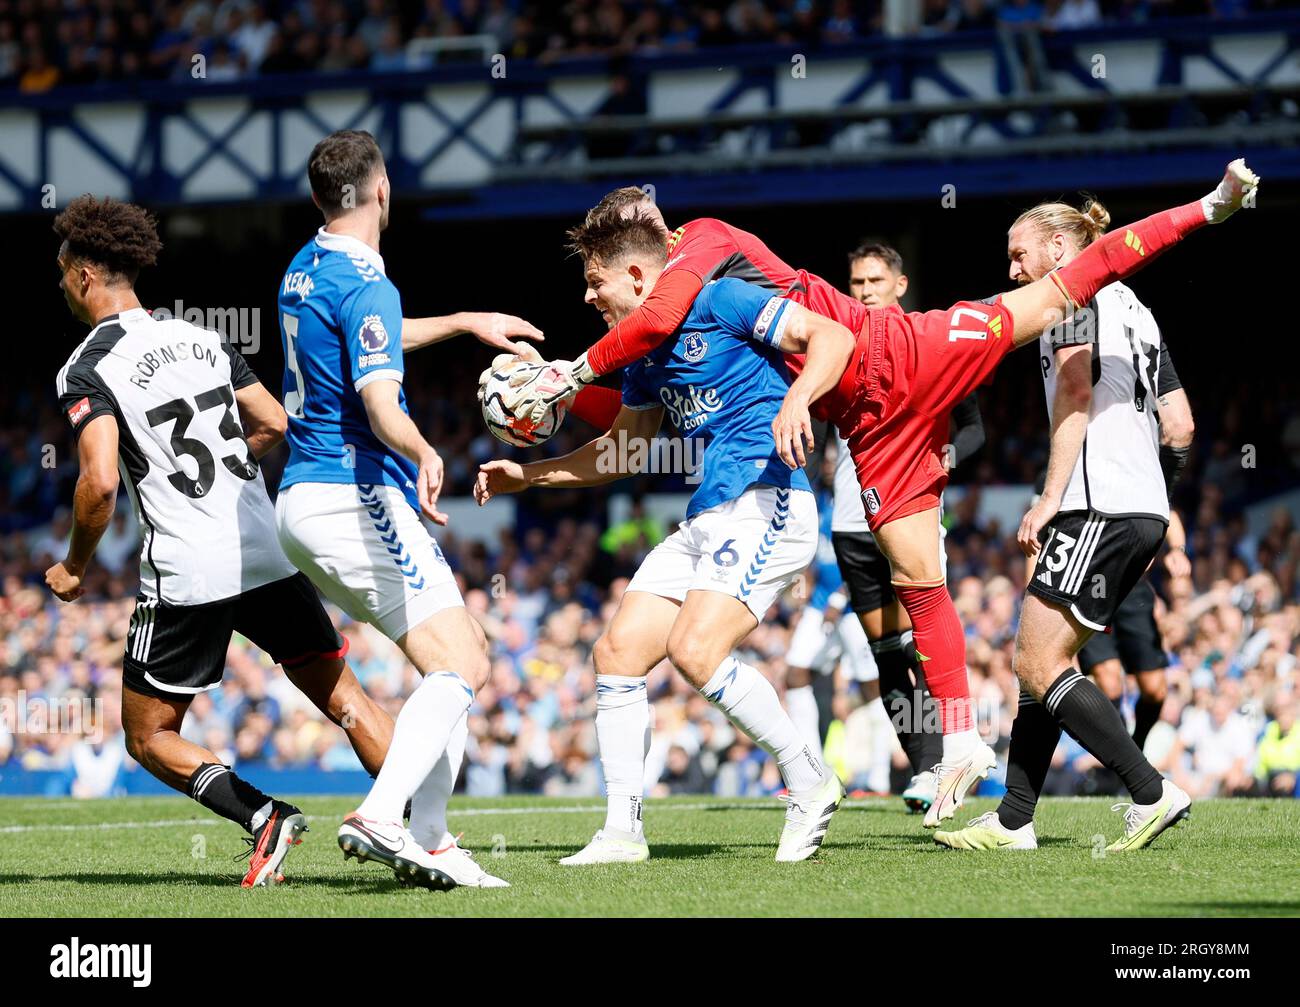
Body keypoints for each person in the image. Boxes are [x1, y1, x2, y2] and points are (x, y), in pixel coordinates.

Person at [509, 160, 1259, 828]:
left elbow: (665, 311)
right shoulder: (670, 318)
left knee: (1059, 296)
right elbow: (637, 414)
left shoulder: (697, 245)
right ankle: (961, 741)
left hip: (899, 352)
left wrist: (569, 374)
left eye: (601, 268)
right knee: (918, 581)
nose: (592, 287)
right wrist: (549, 436)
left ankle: (1209, 207)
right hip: (867, 424)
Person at [474, 209, 857, 863]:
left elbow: (834, 339)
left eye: (595, 282)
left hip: (769, 499)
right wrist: (528, 477)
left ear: (633, 272)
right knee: (617, 653)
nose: (587, 296)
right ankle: (623, 832)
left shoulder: (723, 299)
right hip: (710, 513)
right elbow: (621, 453)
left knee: (695, 651)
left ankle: (810, 779)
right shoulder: (644, 354)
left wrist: (798, 401)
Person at [46, 194, 393, 887]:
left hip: (190, 569)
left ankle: (263, 815)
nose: (61, 284)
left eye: (62, 272)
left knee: (147, 735)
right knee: (346, 697)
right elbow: (271, 422)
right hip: (263, 545)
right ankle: (424, 830)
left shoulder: (87, 366)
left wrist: (75, 564)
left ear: (84, 274)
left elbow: (101, 482)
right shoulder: (201, 336)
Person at [273, 129, 539, 890]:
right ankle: (385, 815)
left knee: (455, 654)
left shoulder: (305, 266)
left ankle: (431, 838)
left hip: (301, 498)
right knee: (465, 660)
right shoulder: (370, 281)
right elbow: (379, 395)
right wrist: (424, 449)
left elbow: (372, 342)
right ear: (381, 189)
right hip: (352, 490)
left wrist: (459, 322)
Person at [934, 191, 1230, 852]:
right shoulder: (1138, 308)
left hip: (1097, 502)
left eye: (1019, 254)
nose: (1013, 271)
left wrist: (1049, 497)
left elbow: (1074, 390)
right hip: (1138, 507)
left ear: (1061, 250)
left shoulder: (1074, 292)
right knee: (1042, 659)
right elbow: (1178, 424)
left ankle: (1151, 791)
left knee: (1037, 659)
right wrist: (1159, 505)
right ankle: (1015, 817)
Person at [834, 241, 985, 812]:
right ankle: (925, 769)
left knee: (922, 641)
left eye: (875, 280)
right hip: (851, 524)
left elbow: (973, 428)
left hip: (911, 512)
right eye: (855, 282)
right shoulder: (839, 344)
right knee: (886, 655)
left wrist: (948, 453)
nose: (865, 290)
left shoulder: (929, 347)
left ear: (900, 284)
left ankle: (957, 748)